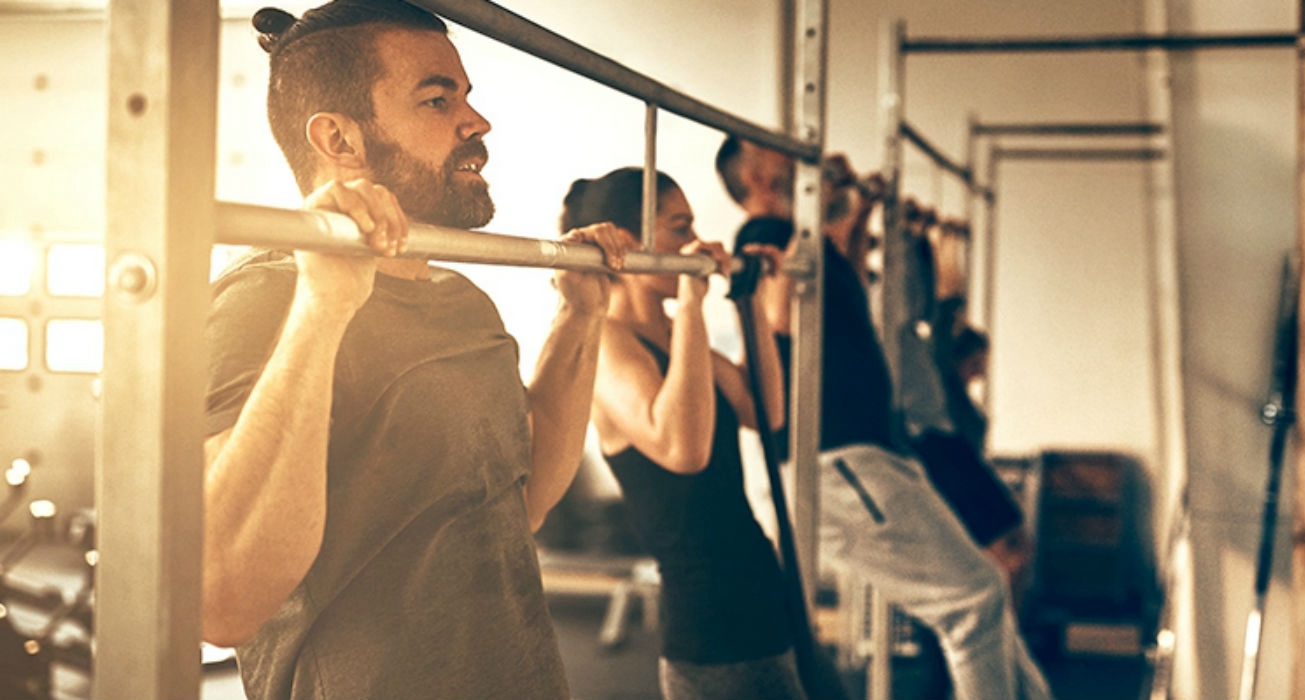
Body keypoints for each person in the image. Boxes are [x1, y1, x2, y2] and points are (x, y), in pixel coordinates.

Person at [201, 3, 634, 698]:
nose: (477, 122)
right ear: (339, 138)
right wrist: (323, 306)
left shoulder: (462, 301)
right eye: (438, 100)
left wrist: (580, 316)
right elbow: (222, 601)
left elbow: (525, 502)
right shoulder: (258, 300)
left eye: (465, 97)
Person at [717, 136, 1053, 700]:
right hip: (837, 460)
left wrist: (858, 210)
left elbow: (847, 277)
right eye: (776, 153)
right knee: (971, 603)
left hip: (871, 452)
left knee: (987, 591)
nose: (795, 153)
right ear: (753, 177)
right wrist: (811, 221)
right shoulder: (764, 231)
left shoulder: (804, 236)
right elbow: (778, 319)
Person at [567, 167, 806, 700]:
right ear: (629, 242)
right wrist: (694, 302)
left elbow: (765, 413)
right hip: (709, 619)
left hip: (764, 593)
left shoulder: (677, 335)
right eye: (680, 228)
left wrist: (749, 299)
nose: (696, 241)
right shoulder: (607, 344)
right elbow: (683, 448)